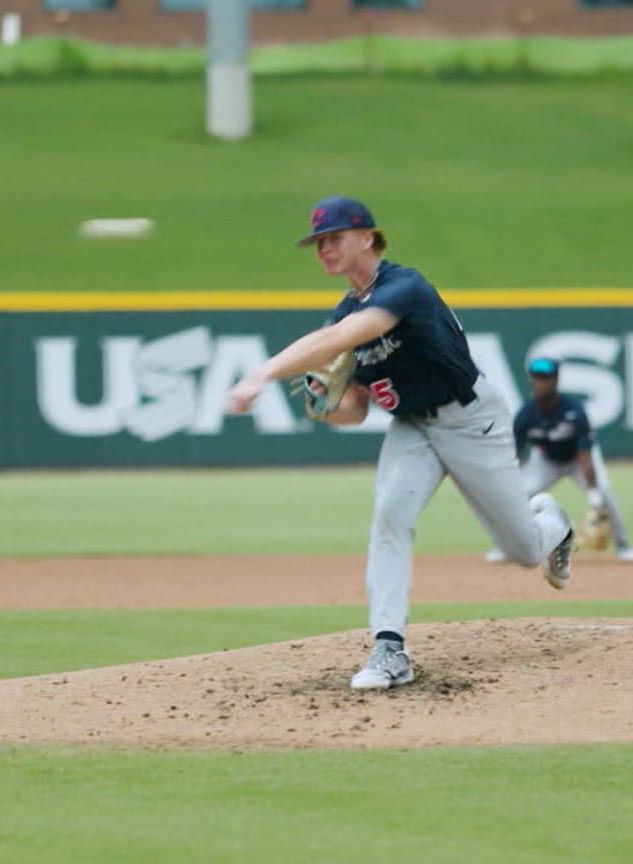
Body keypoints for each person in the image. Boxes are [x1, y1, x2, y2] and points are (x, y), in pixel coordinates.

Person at [223, 195, 576, 691]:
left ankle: (551, 525)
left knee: (521, 550)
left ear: (367, 238)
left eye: (334, 237)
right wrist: (325, 407)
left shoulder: (403, 287)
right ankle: (389, 649)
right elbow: (356, 409)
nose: (324, 249)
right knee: (390, 515)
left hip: (471, 420)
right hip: (412, 426)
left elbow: (342, 337)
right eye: (318, 243)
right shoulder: (345, 313)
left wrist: (262, 372)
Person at [484, 357, 633, 563]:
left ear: (555, 381)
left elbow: (585, 454)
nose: (540, 383)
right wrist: (509, 483)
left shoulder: (573, 410)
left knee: (604, 495)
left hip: (577, 460)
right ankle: (505, 547)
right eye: (536, 378)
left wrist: (593, 492)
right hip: (546, 460)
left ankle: (623, 545)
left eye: (545, 378)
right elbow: (515, 454)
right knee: (520, 497)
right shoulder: (526, 414)